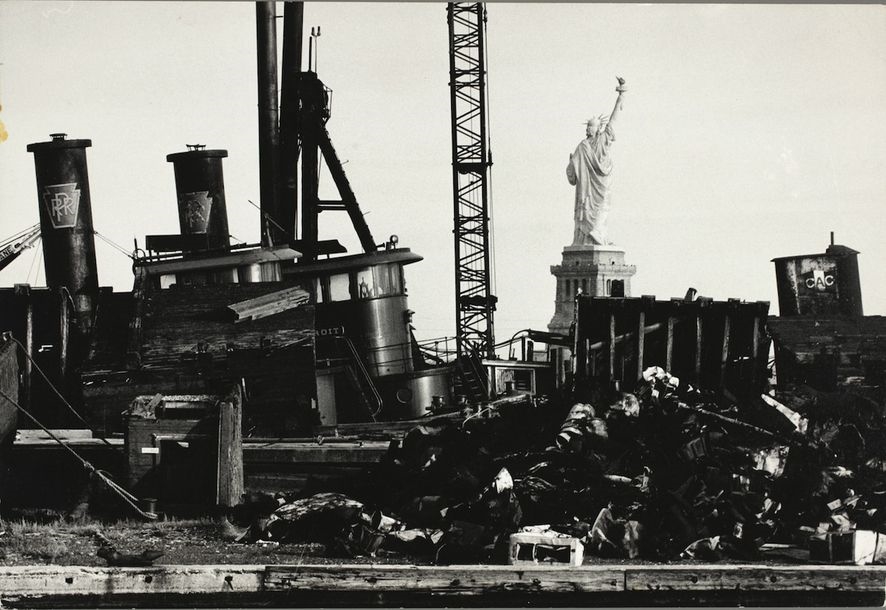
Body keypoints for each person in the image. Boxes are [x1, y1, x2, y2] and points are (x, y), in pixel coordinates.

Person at [567, 77, 627, 246]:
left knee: (601, 212)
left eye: (591, 126)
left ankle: (598, 235)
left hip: (601, 186)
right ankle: (585, 238)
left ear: (598, 128)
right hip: (586, 191)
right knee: (586, 214)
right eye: (587, 126)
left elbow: (614, 120)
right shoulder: (582, 147)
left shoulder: (603, 140)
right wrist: (571, 164)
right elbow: (572, 177)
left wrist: (621, 95)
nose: (588, 129)